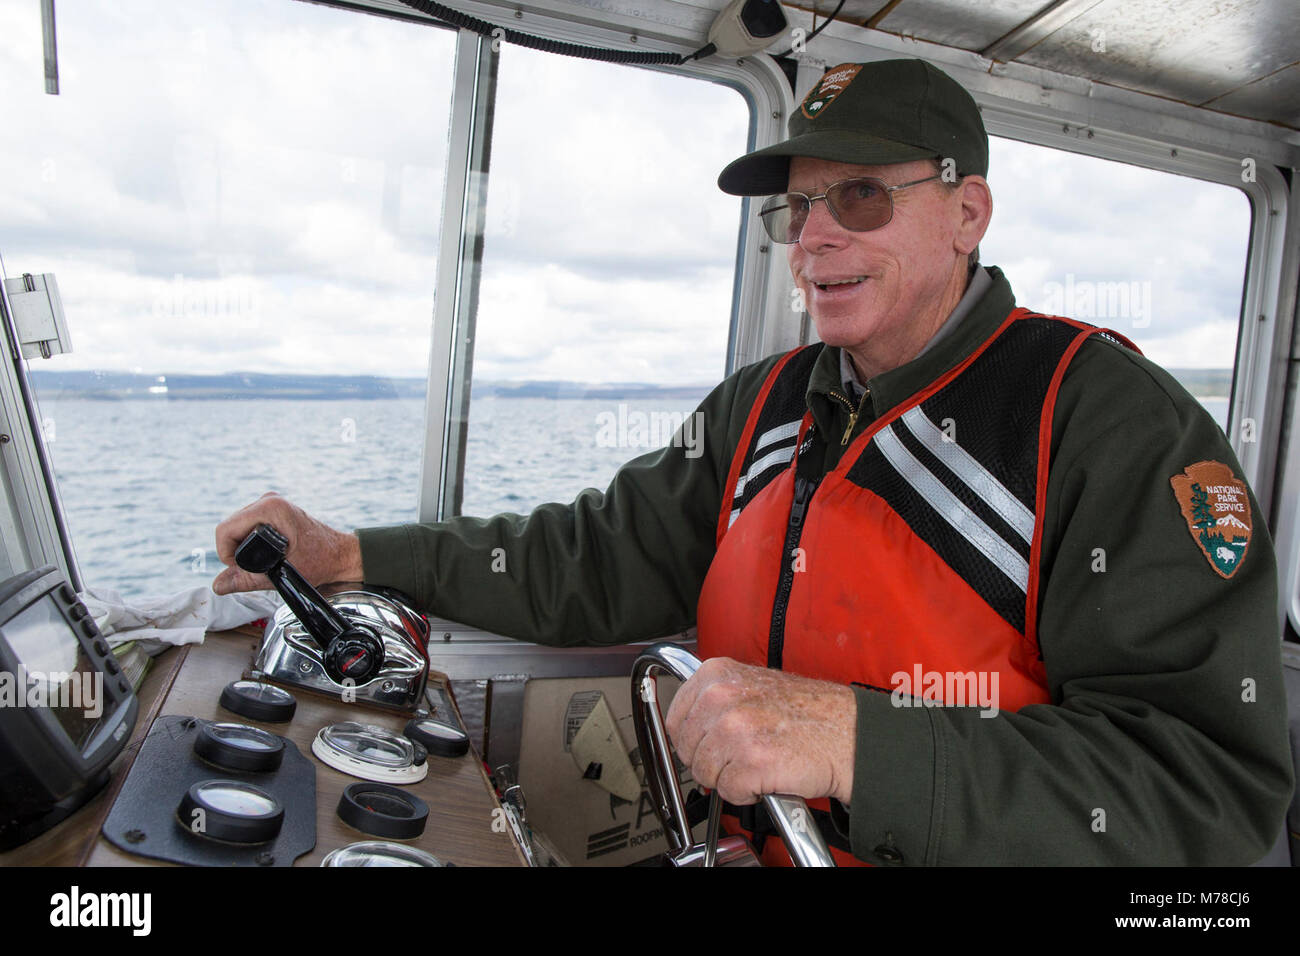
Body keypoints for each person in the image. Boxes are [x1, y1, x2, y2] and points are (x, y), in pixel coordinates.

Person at [214, 58, 1293, 866]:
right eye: (798, 207)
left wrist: (861, 744)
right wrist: (352, 554)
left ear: (967, 212)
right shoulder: (765, 404)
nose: (812, 238)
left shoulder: (1107, 422)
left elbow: (1206, 793)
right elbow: (591, 555)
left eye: (860, 198)